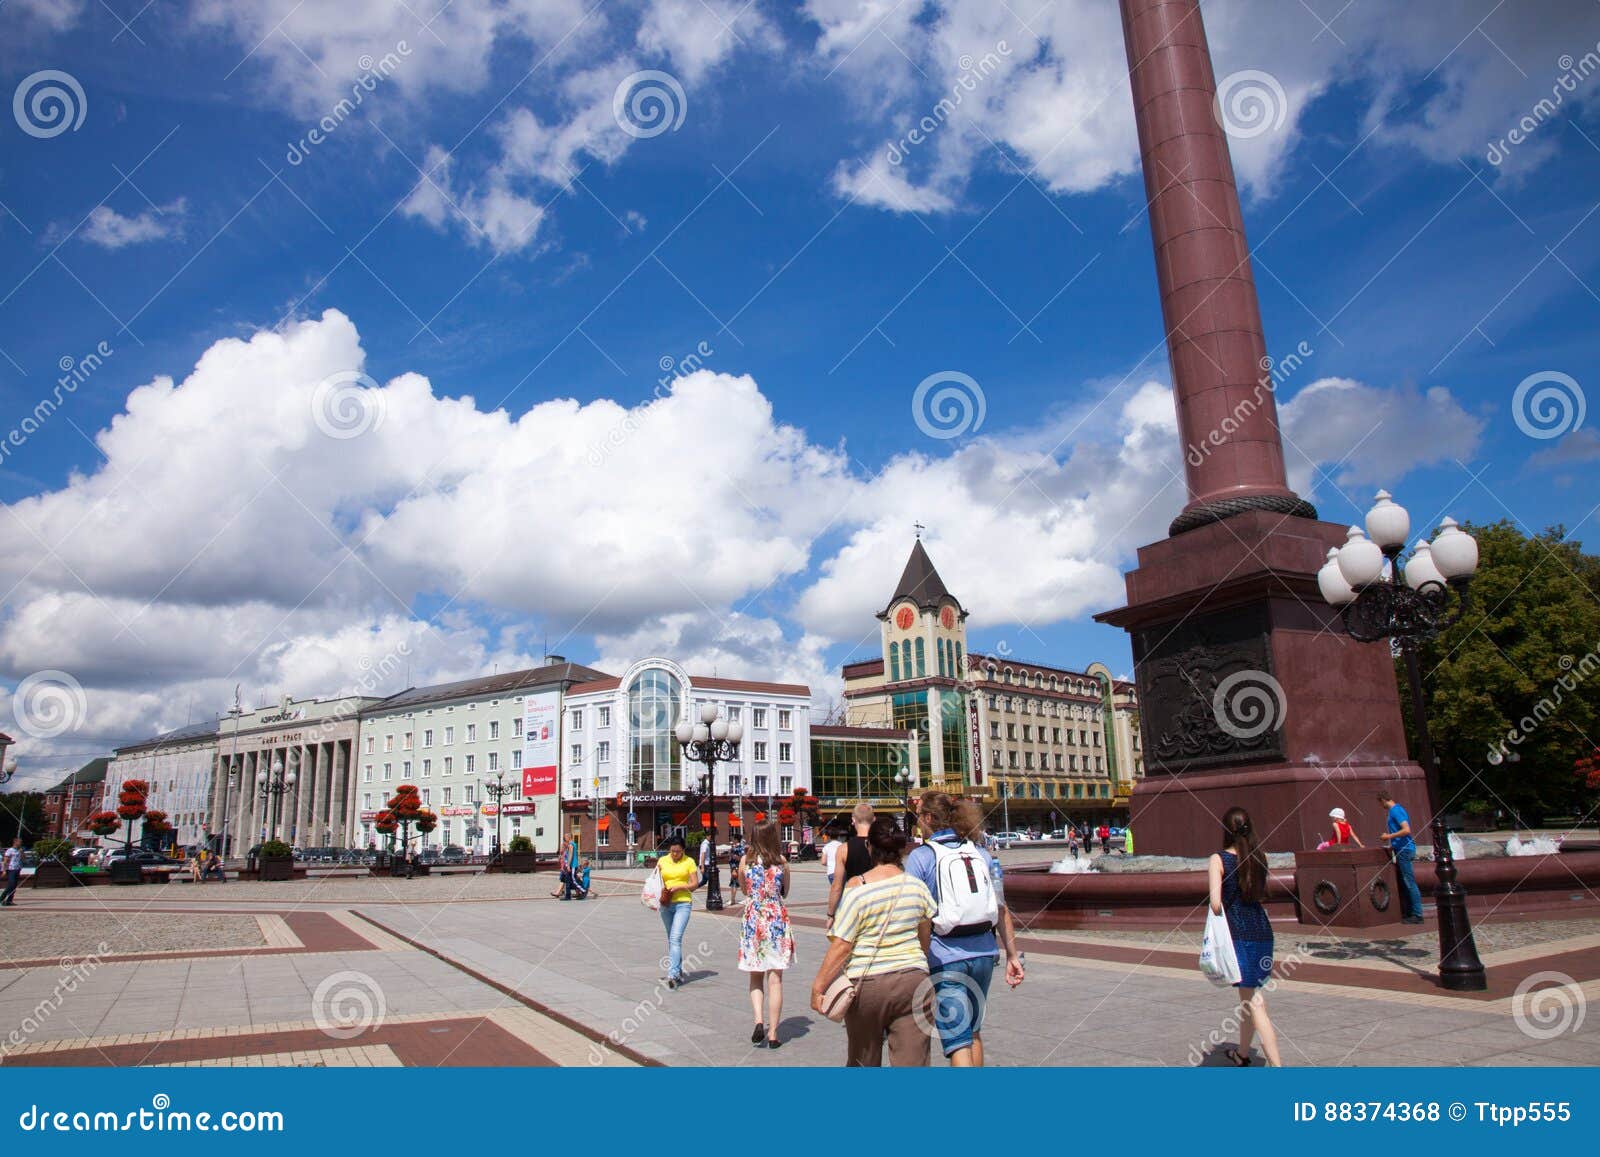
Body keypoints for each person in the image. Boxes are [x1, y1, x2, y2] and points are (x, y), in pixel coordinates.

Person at [905, 792, 1025, 1067]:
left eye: (919, 815)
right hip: (984, 953)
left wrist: (919, 956)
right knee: (973, 1029)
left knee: (956, 1039)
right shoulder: (981, 853)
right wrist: (1013, 955)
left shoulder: (922, 857)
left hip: (945, 957)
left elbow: (913, 913)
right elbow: (1001, 907)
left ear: (927, 818)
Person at [810, 818, 937, 1067]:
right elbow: (925, 936)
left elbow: (842, 945)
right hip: (913, 981)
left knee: (863, 1060)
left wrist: (819, 986)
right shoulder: (917, 887)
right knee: (914, 1063)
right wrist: (915, 965)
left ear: (869, 847)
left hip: (868, 985)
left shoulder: (858, 891)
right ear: (900, 849)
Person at [1208, 806, 1282, 1067]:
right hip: (1262, 931)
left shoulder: (1219, 859)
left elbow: (1216, 905)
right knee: (1248, 997)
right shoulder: (1260, 856)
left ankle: (1277, 1066)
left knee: (1254, 1001)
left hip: (1238, 935)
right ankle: (1242, 1054)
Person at [738, 821, 795, 1048]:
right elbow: (786, 892)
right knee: (775, 979)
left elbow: (744, 889)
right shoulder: (782, 862)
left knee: (755, 975)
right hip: (776, 920)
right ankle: (773, 1035)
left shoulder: (746, 861)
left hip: (753, 919)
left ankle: (758, 1021)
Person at [657, 835, 700, 988]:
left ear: (683, 850)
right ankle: (679, 971)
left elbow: (695, 884)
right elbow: (657, 879)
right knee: (672, 939)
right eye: (673, 851)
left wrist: (681, 886)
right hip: (666, 903)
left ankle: (672, 974)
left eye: (678, 851)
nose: (675, 854)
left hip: (683, 903)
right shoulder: (662, 861)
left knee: (675, 938)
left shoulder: (689, 862)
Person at [1377, 790, 1423, 924]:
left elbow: (1406, 830)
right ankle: (1409, 911)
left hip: (1405, 849)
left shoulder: (1395, 811)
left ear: (1383, 800)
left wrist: (1388, 837)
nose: (1381, 806)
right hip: (1402, 849)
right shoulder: (1397, 810)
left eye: (1380, 803)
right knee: (1405, 881)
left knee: (1409, 882)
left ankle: (1417, 914)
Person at [826, 803, 875, 928]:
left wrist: (831, 914)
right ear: (874, 819)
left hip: (856, 904)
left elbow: (837, 886)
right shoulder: (881, 845)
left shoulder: (844, 849)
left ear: (853, 820)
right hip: (880, 902)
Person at [1, 838, 22, 906]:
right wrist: (4, 870)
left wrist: (22, 852)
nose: (20, 843)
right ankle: (1, 898)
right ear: (15, 842)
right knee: (11, 884)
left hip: (17, 869)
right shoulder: (9, 850)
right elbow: (5, 861)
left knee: (14, 886)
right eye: (19, 842)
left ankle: (9, 900)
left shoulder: (19, 850)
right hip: (11, 869)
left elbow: (24, 859)